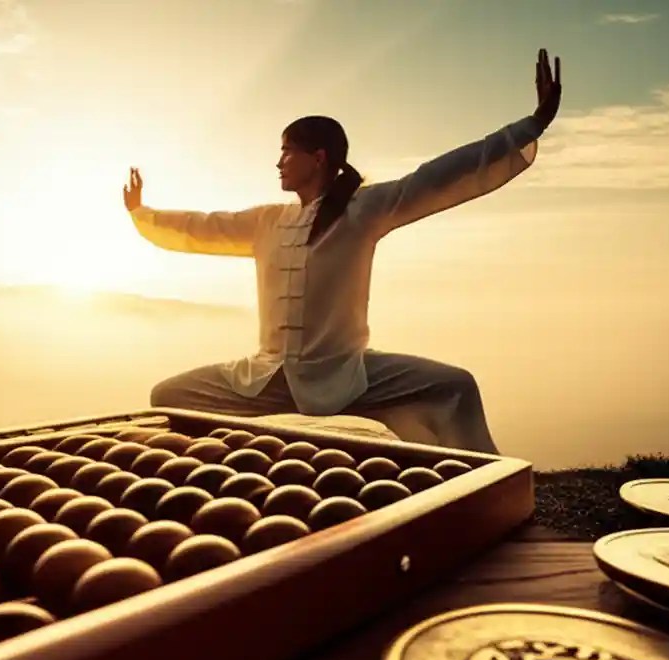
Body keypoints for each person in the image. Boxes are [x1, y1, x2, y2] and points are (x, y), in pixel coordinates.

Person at [123, 49, 562, 454]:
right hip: (265, 380)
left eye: (286, 151)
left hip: (346, 377)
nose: (278, 162)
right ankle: (224, 475)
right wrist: (143, 213)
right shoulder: (266, 222)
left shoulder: (363, 210)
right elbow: (203, 227)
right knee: (170, 397)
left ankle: (482, 489)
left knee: (456, 386)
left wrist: (531, 125)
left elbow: (438, 176)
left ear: (318, 157)